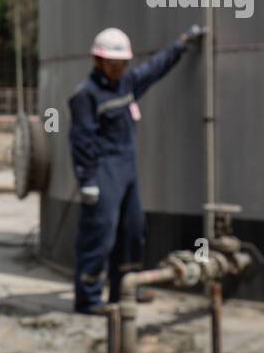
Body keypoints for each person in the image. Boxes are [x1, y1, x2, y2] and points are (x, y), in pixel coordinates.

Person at [68, 24, 205, 314]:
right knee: (100, 233)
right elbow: (81, 141)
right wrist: (87, 180)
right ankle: (88, 298)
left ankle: (126, 288)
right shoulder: (86, 95)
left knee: (133, 230)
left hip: (127, 171)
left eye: (123, 64)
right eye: (113, 65)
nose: (119, 70)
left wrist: (181, 44)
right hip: (103, 171)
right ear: (98, 61)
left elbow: (154, 70)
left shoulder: (126, 85)